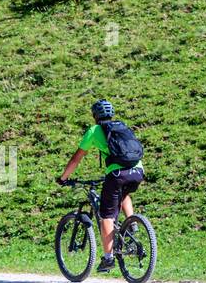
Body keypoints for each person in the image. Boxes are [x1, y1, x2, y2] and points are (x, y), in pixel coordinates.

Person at [57, 100, 145, 274]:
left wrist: (63, 178)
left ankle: (108, 258)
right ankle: (132, 222)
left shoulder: (95, 130)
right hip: (138, 171)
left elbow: (76, 158)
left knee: (107, 215)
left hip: (117, 174)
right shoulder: (121, 126)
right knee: (123, 192)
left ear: (95, 115)